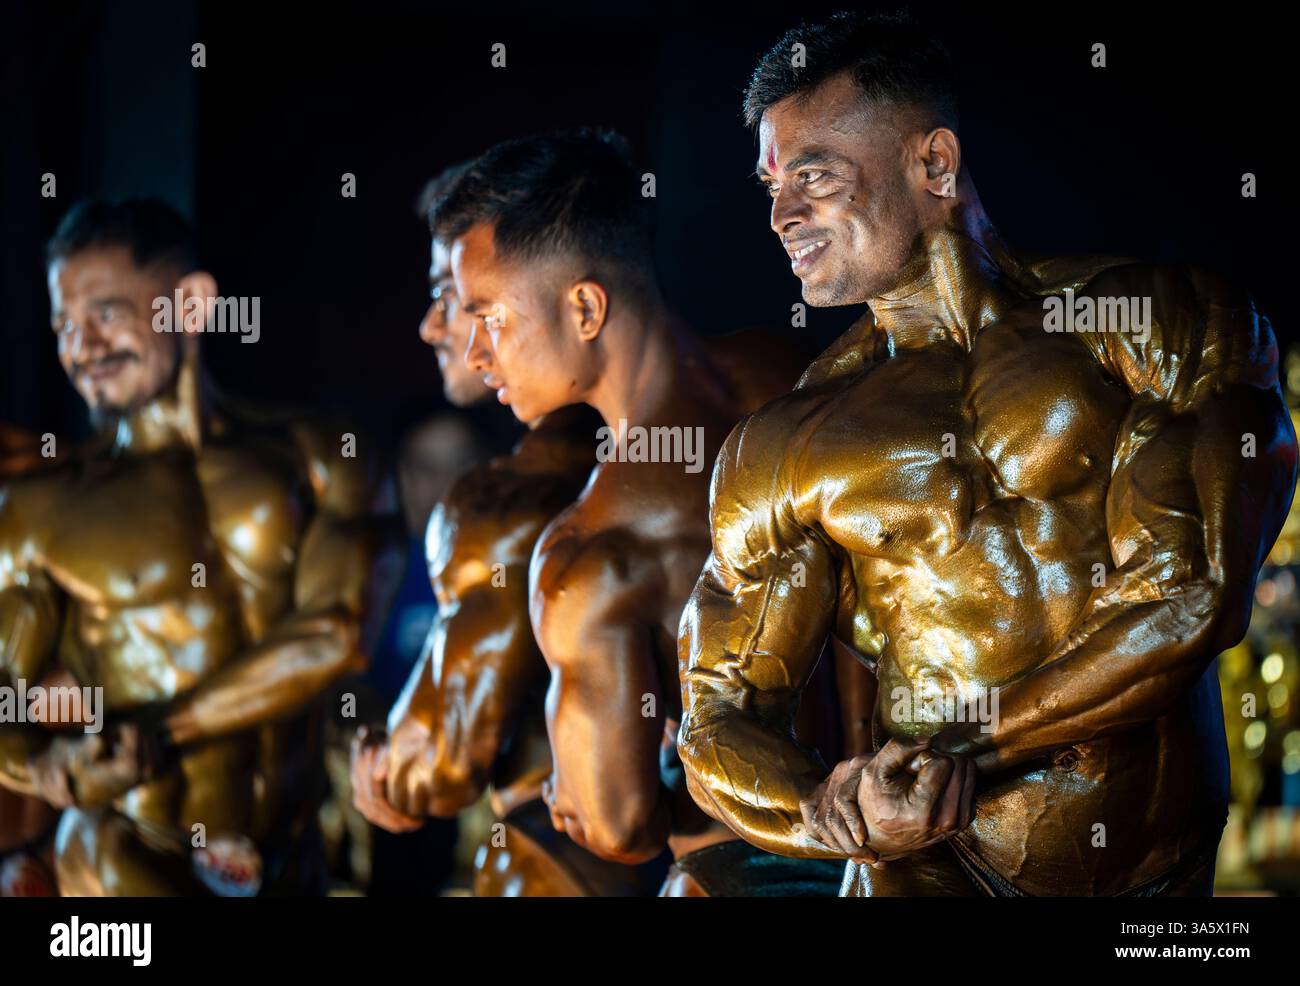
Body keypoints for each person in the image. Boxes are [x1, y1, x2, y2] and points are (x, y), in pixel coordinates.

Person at [677, 10, 1297, 896]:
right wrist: (835, 809)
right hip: (931, 877)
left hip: (1156, 887)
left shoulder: (1151, 323)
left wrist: (952, 753)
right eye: (770, 186)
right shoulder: (787, 443)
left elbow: (1190, 596)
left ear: (933, 162)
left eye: (812, 177)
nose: (780, 216)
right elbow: (713, 718)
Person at [435, 129, 846, 895]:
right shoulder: (793, 372)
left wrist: (563, 794)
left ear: (586, 306)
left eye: (487, 315)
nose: (476, 351)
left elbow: (619, 828)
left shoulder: (588, 552)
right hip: (895, 865)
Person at [0, 199, 376, 895]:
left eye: (104, 314)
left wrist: (160, 733)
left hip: (290, 859)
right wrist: (49, 762)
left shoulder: (320, 454)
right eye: (62, 327)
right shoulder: (39, 507)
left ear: (193, 305)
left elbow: (338, 632)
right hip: (128, 857)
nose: (80, 347)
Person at [350, 165, 665, 895]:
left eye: (459, 298)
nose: (437, 325)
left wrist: (382, 770)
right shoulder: (683, 436)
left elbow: (436, 767)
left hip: (559, 863)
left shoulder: (508, 506)